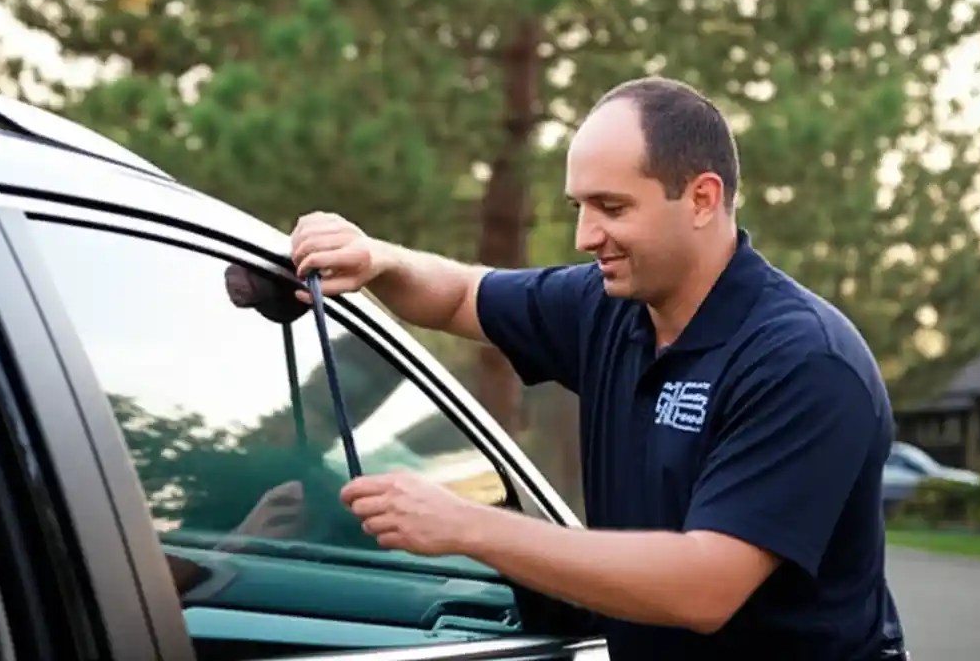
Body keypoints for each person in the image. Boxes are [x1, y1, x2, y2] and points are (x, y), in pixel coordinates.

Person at [288, 77, 907, 660]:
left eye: (611, 207)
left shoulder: (803, 362)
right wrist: (374, 257)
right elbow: (458, 296)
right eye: (579, 206)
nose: (586, 235)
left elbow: (704, 587)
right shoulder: (607, 307)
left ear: (701, 198)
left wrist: (466, 525)